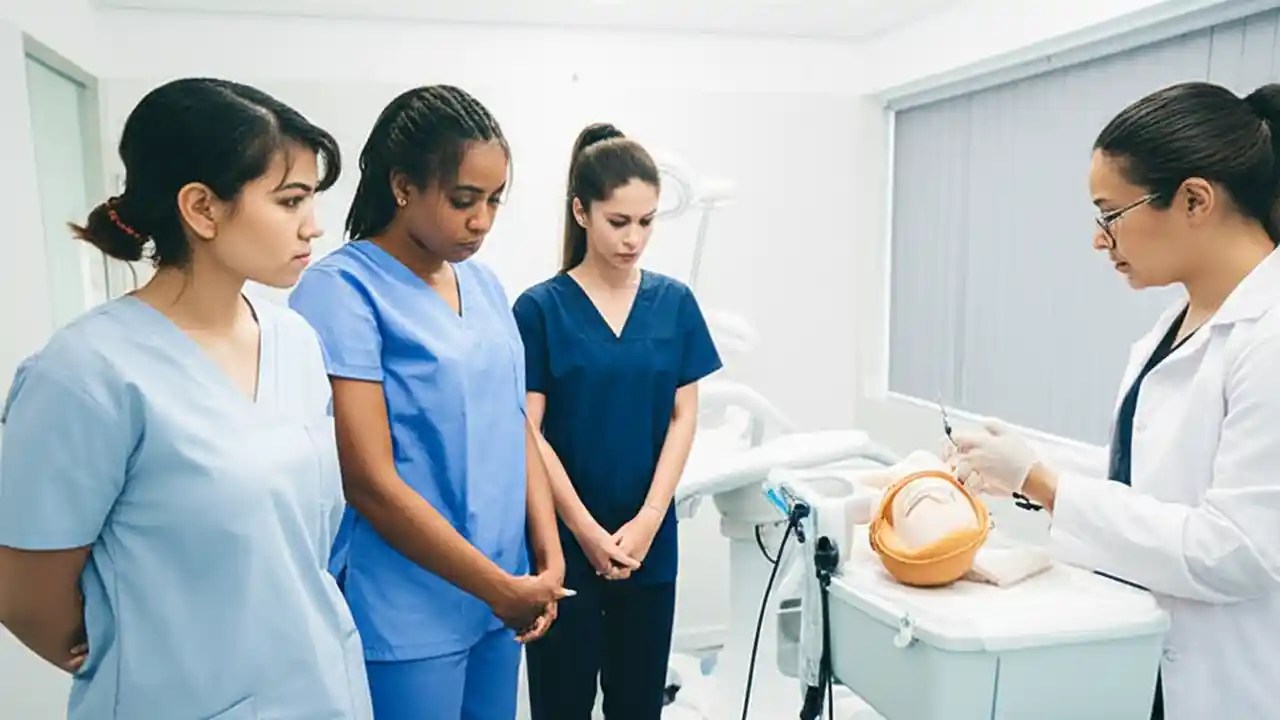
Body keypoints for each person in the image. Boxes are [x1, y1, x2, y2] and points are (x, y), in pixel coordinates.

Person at [0, 78, 372, 719]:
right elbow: (26, 595)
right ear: (202, 208)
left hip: (319, 689)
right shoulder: (88, 372)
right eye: (290, 201)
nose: (313, 227)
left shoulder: (295, 342)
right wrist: (146, 657)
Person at [946, 81, 1280, 720]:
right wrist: (1020, 468)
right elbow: (1149, 481)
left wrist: (1045, 484)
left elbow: (1239, 552)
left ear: (1194, 200)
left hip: (1232, 685)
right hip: (1146, 661)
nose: (1101, 241)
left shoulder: (1269, 337)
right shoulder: (1175, 325)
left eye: (1110, 214)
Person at [288, 85, 567, 720]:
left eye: (495, 201)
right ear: (403, 186)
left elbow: (514, 422)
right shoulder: (341, 292)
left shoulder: (485, 284)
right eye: (464, 200)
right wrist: (500, 588)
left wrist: (546, 559)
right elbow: (369, 481)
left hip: (507, 594)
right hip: (407, 607)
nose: (482, 221)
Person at [515, 123, 723, 719]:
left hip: (648, 544)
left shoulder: (674, 303)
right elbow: (526, 431)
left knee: (637, 707)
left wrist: (650, 519)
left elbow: (685, 415)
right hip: (564, 547)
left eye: (647, 221)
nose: (634, 238)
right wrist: (583, 529)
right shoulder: (538, 310)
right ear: (581, 211)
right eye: (618, 221)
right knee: (562, 705)